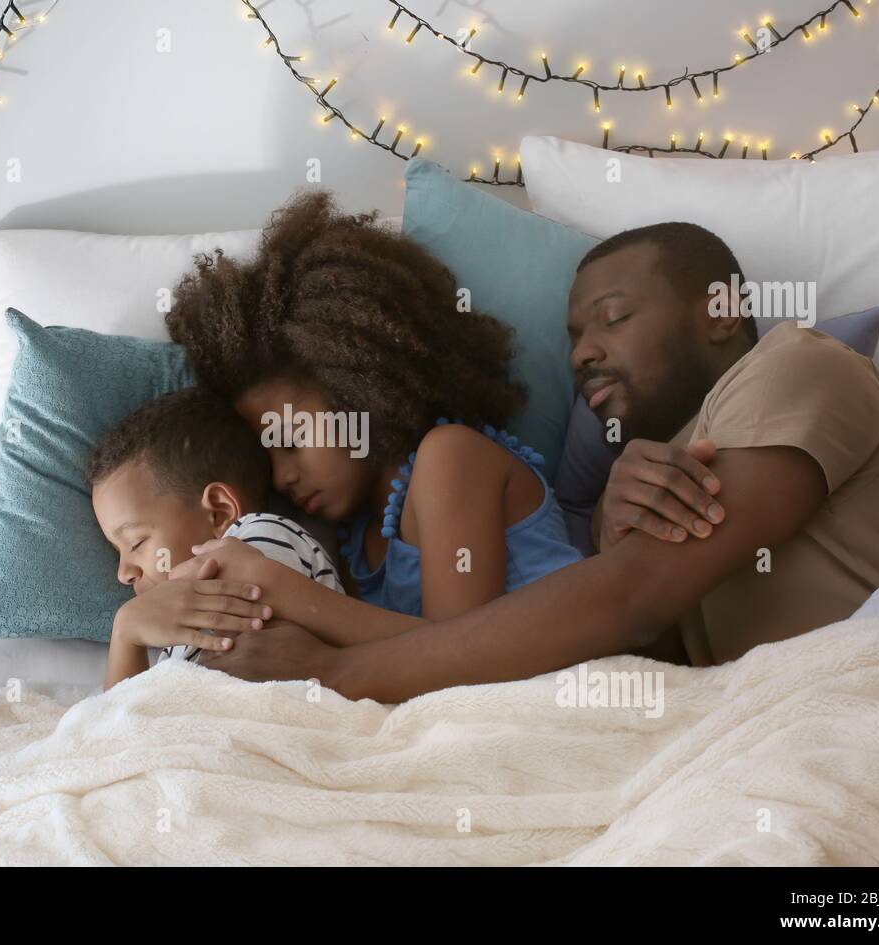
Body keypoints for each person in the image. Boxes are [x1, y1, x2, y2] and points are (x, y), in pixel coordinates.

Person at [183, 221, 879, 701]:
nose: (583, 352)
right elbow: (652, 658)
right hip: (761, 715)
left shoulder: (805, 365)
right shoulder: (658, 469)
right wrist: (613, 532)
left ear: (721, 312)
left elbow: (631, 598)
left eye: (612, 318)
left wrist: (327, 673)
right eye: (570, 337)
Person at [147, 189, 579, 647]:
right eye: (268, 454)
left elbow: (459, 654)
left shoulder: (452, 458)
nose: (282, 475)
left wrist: (285, 590)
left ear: (361, 392)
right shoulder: (350, 539)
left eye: (291, 438)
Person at [87, 387, 341, 690]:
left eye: (137, 543)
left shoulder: (259, 538)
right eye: (118, 554)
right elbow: (116, 725)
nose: (123, 573)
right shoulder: (180, 626)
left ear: (219, 513)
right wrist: (125, 634)